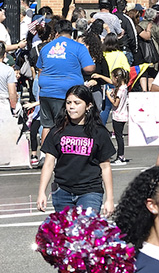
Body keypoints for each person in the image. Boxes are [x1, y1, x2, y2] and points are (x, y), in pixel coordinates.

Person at [35, 84, 116, 219]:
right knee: (66, 235)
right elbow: (48, 163)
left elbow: (105, 166)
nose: (71, 106)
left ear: (88, 105)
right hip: (62, 191)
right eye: (68, 102)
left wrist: (110, 199)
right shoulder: (57, 131)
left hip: (90, 192)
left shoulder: (98, 132)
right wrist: (41, 192)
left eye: (77, 103)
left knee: (85, 233)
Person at [35, 19, 94, 147]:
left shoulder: (46, 48)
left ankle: (45, 155)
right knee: (66, 124)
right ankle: (63, 153)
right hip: (66, 92)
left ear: (56, 32)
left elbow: (40, 68)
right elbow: (89, 68)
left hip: (46, 91)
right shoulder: (78, 47)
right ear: (72, 32)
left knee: (47, 125)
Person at [107, 68, 130, 165]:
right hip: (123, 114)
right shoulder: (124, 87)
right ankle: (121, 156)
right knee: (119, 136)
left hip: (118, 115)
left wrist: (108, 95)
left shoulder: (121, 90)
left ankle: (120, 157)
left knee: (118, 137)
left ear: (117, 78)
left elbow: (115, 104)